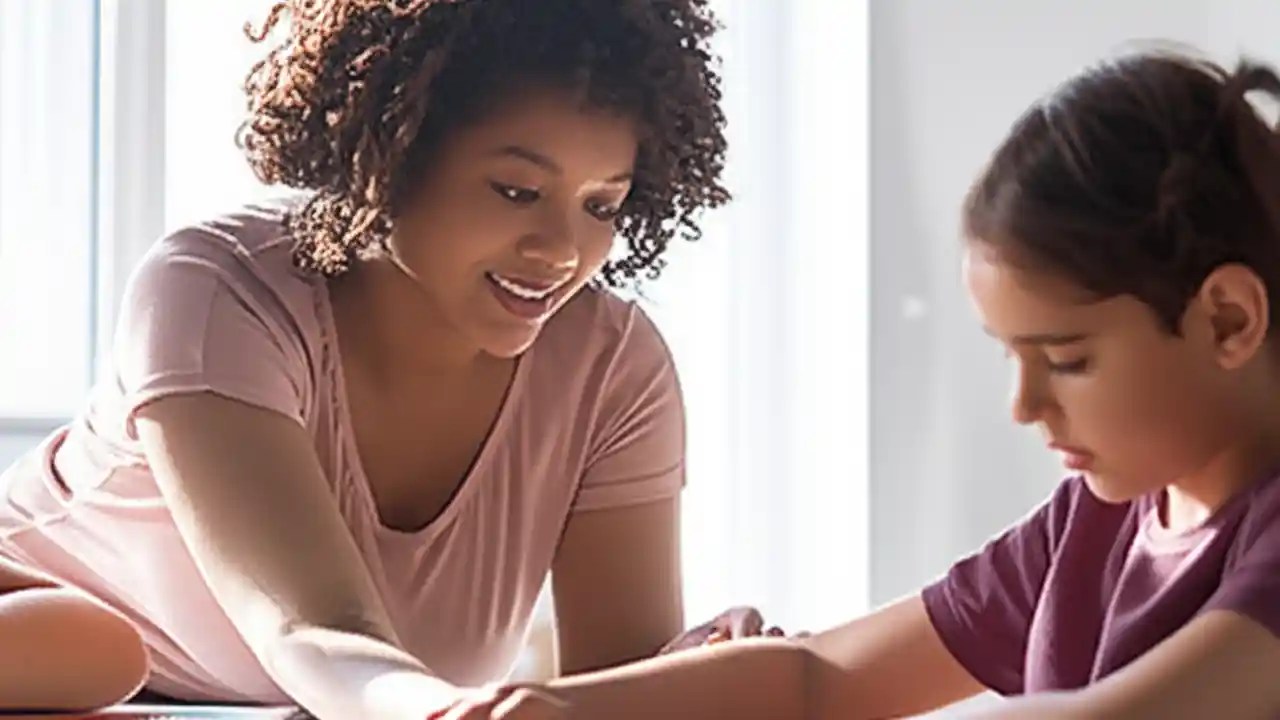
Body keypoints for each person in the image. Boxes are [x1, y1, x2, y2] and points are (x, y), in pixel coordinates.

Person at [470, 48, 1280, 719]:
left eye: (1066, 359)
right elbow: (818, 677)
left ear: (1228, 321)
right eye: (1011, 356)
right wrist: (561, 707)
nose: (1024, 406)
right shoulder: (1093, 519)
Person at [0, 0, 734, 717]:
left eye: (601, 206)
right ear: (394, 153)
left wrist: (712, 670)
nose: (563, 250)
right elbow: (311, 632)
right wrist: (445, 711)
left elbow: (618, 688)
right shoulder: (216, 295)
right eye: (517, 192)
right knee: (99, 652)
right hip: (37, 647)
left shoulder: (612, 372)